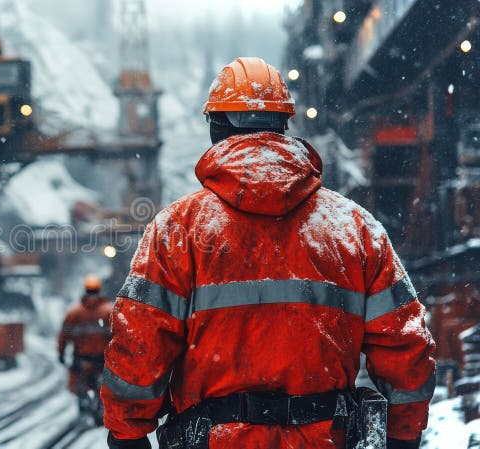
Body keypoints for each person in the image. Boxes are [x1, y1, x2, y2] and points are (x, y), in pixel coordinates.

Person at [101, 57, 436, 449]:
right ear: (283, 125)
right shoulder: (355, 227)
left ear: (216, 127)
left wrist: (127, 433)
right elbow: (405, 343)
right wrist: (403, 433)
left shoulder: (178, 229)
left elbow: (139, 342)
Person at [58, 274, 114, 394]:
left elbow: (65, 334)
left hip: (81, 358)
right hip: (104, 359)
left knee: (79, 387)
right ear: (100, 289)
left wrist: (61, 352)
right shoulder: (110, 311)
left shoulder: (73, 313)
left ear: (85, 289)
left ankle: (84, 399)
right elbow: (119, 336)